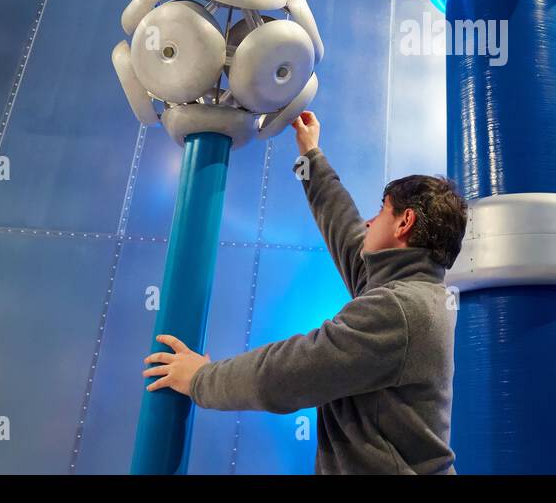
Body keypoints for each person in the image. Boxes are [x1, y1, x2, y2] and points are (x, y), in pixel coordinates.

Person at [141, 110, 467, 474]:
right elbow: (344, 227)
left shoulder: (399, 309)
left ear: (405, 223)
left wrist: (200, 379)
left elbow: (286, 375)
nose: (369, 221)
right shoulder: (414, 290)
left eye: (382, 211)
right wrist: (309, 156)